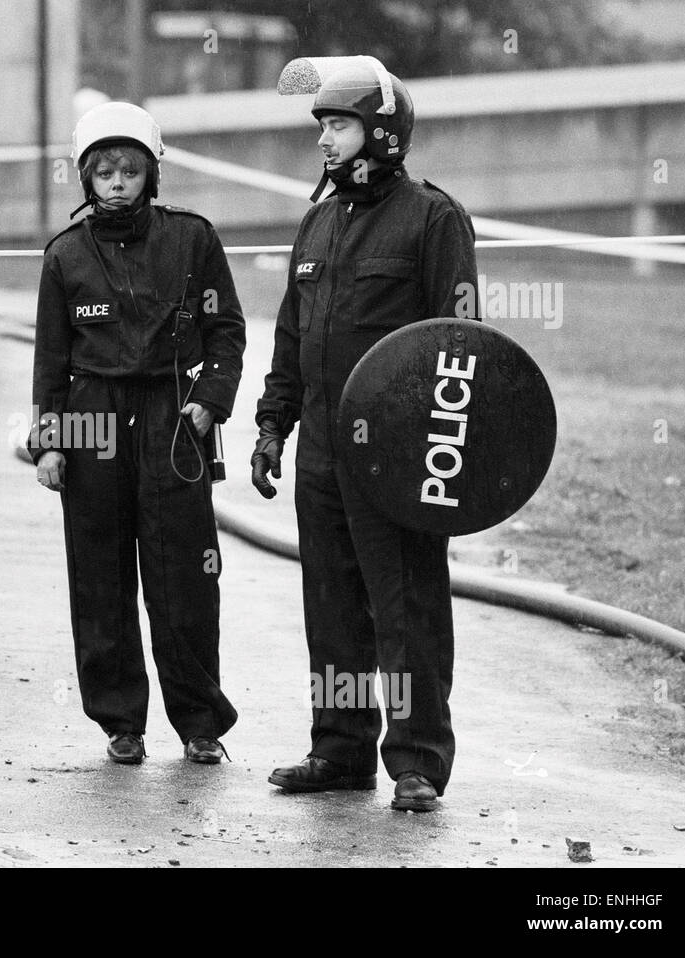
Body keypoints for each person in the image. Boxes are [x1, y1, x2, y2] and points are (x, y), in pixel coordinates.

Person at [251, 59, 478, 811]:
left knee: (406, 606)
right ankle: (340, 749)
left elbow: (463, 344)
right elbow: (291, 336)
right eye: (321, 125)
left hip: (398, 454)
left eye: (338, 125)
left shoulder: (433, 219)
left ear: (380, 131)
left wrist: (444, 450)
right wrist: (271, 426)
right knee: (332, 605)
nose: (324, 139)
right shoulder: (316, 221)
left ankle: (415, 762)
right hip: (320, 448)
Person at [29, 101, 246, 765]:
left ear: (151, 174)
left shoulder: (193, 240)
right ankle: (122, 721)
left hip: (172, 417)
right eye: (104, 173)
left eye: (130, 170)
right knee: (99, 578)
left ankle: (199, 722)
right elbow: (51, 361)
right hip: (92, 417)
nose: (117, 183)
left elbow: (228, 331)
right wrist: (50, 440)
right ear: (86, 179)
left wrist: (211, 401)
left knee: (183, 576)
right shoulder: (65, 255)